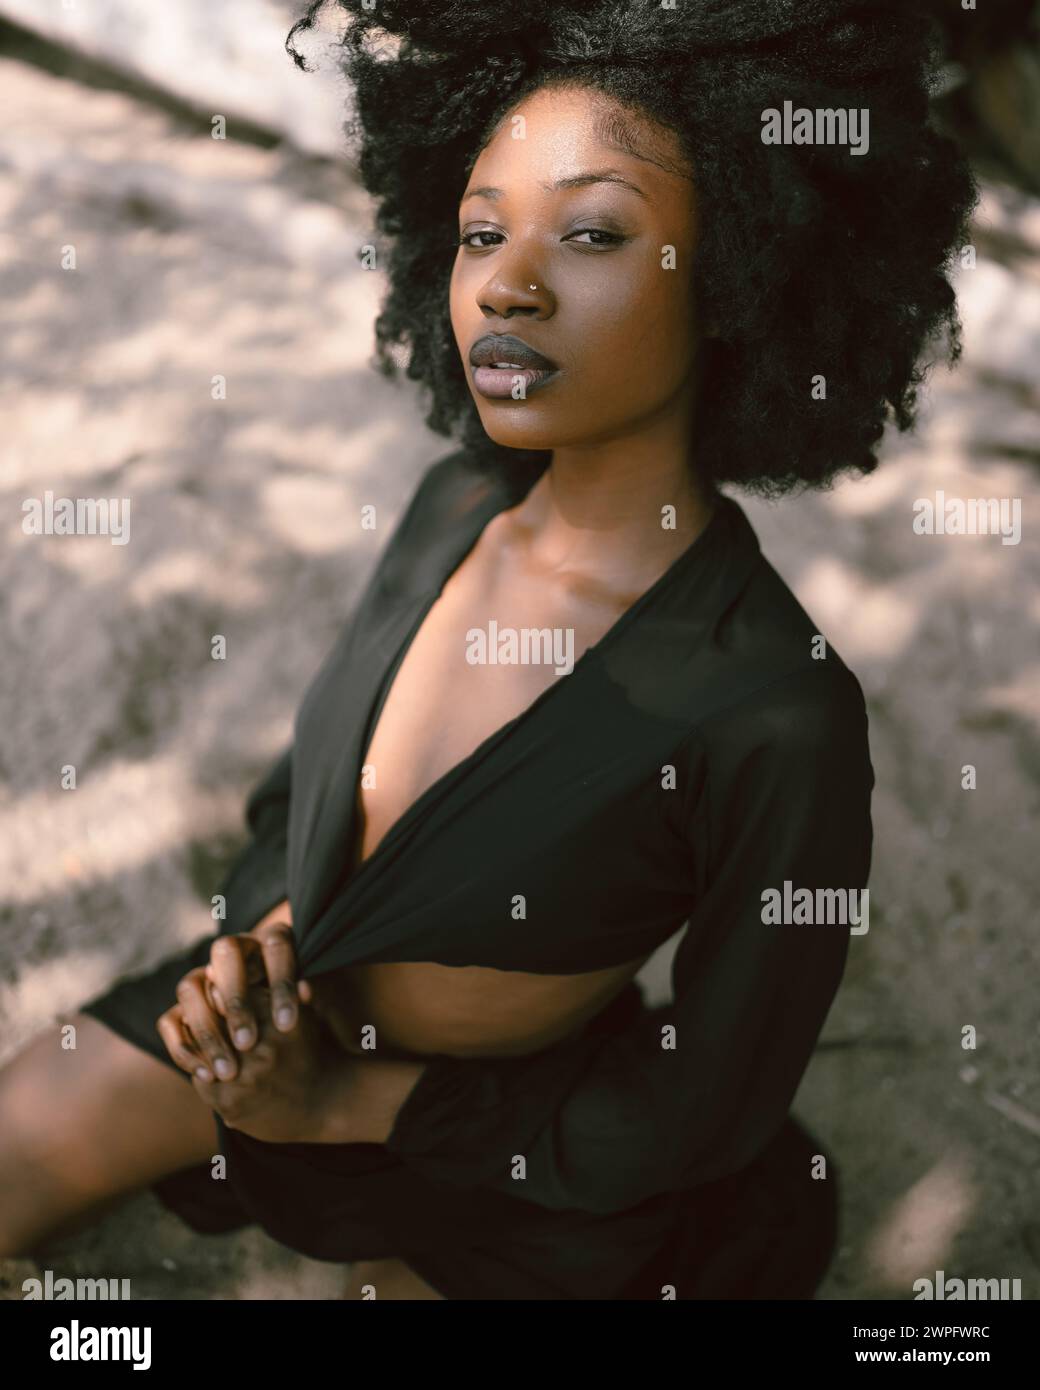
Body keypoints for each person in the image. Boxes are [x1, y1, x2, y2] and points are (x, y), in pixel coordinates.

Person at [0, 0, 976, 1299]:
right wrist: (261, 950)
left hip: (509, 1150)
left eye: (591, 231)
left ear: (741, 268)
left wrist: (345, 1099)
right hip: (288, 1030)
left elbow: (705, 1102)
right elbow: (312, 790)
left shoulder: (777, 710)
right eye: (480, 230)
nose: (509, 281)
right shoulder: (453, 503)